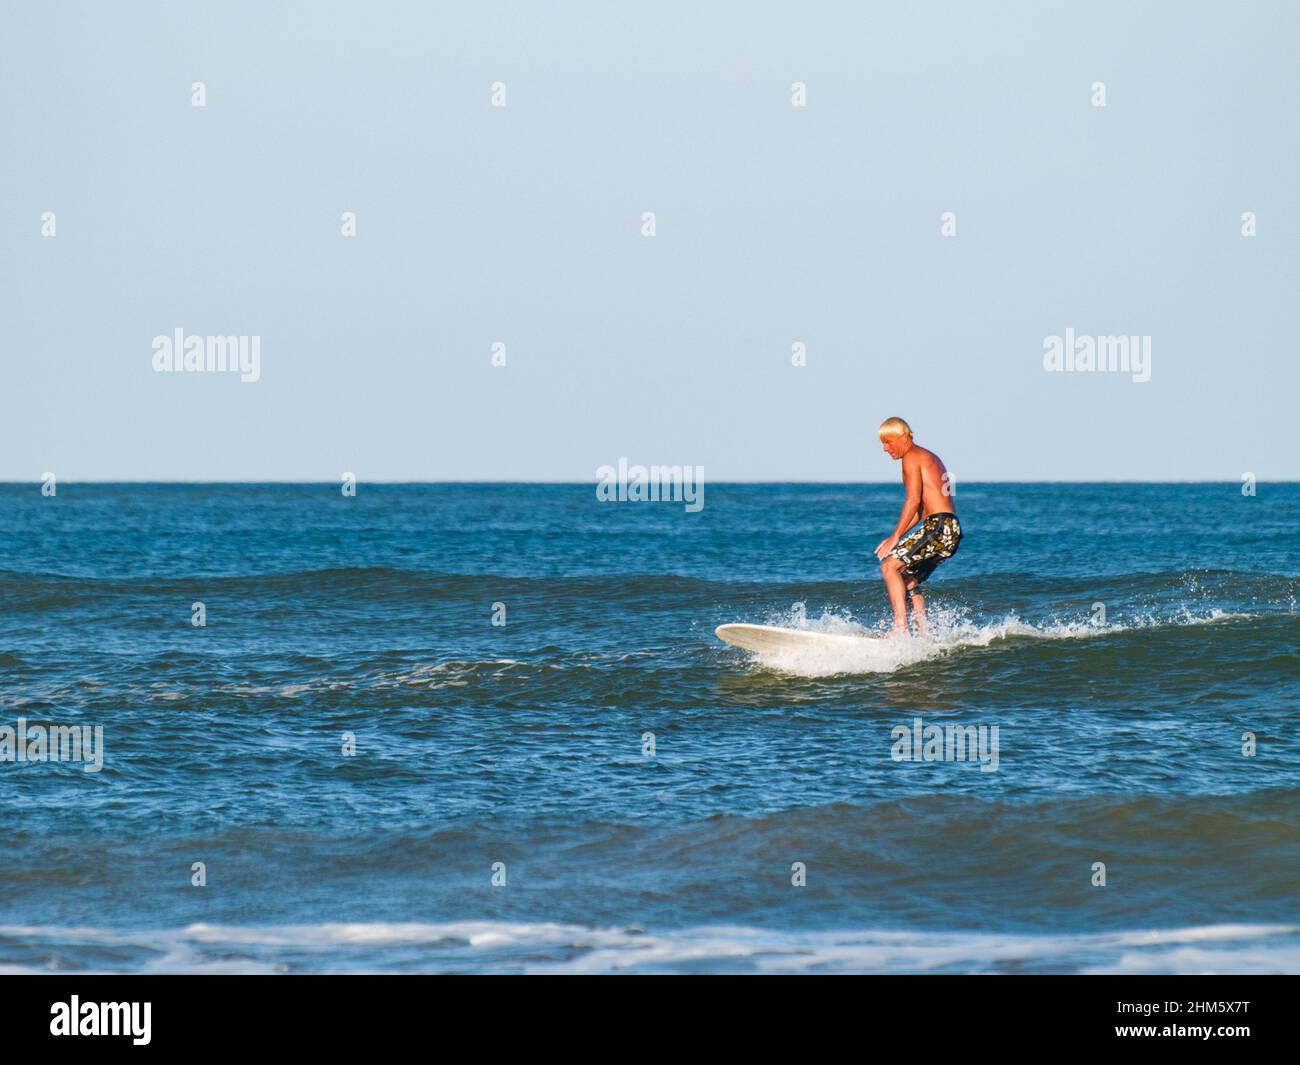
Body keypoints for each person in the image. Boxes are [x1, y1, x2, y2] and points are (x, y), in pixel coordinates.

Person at [872, 417, 962, 636]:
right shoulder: (930, 457)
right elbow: (922, 510)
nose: (885, 448)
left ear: (904, 437)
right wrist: (898, 534)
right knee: (906, 579)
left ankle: (900, 627)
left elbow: (912, 501)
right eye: (883, 443)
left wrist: (895, 537)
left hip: (939, 527)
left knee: (889, 567)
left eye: (889, 441)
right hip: (949, 529)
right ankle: (924, 634)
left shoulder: (911, 457)